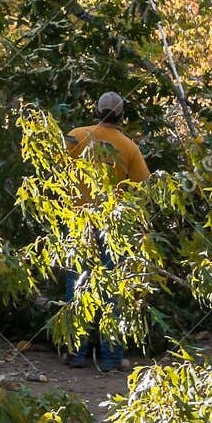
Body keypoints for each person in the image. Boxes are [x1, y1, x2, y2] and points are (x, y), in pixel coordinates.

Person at [63, 90, 150, 373]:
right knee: (113, 291)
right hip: (113, 227)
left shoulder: (76, 136)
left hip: (78, 223)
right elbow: (143, 189)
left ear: (97, 111)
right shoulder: (129, 148)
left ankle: (77, 353)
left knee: (78, 288)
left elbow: (53, 170)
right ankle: (111, 358)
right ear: (122, 115)